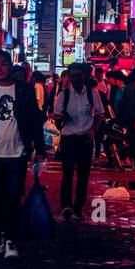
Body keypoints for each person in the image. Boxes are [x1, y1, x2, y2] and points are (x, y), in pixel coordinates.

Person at [0, 49, 47, 259]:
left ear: (10, 65)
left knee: (14, 198)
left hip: (18, 153)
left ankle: (11, 240)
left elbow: (34, 121)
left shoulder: (25, 90)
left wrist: (39, 150)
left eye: (2, 64)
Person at [52, 61, 106, 220]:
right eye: (73, 76)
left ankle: (78, 207)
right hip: (68, 139)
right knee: (67, 174)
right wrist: (61, 117)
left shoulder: (92, 93)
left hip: (85, 139)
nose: (76, 79)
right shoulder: (64, 95)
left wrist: (93, 130)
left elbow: (100, 114)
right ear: (69, 77)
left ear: (84, 76)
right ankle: (66, 206)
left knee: (83, 175)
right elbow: (56, 116)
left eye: (78, 76)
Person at [115, 68, 135, 169]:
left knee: (132, 138)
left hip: (127, 116)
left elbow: (124, 103)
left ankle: (133, 159)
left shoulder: (127, 87)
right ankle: (132, 159)